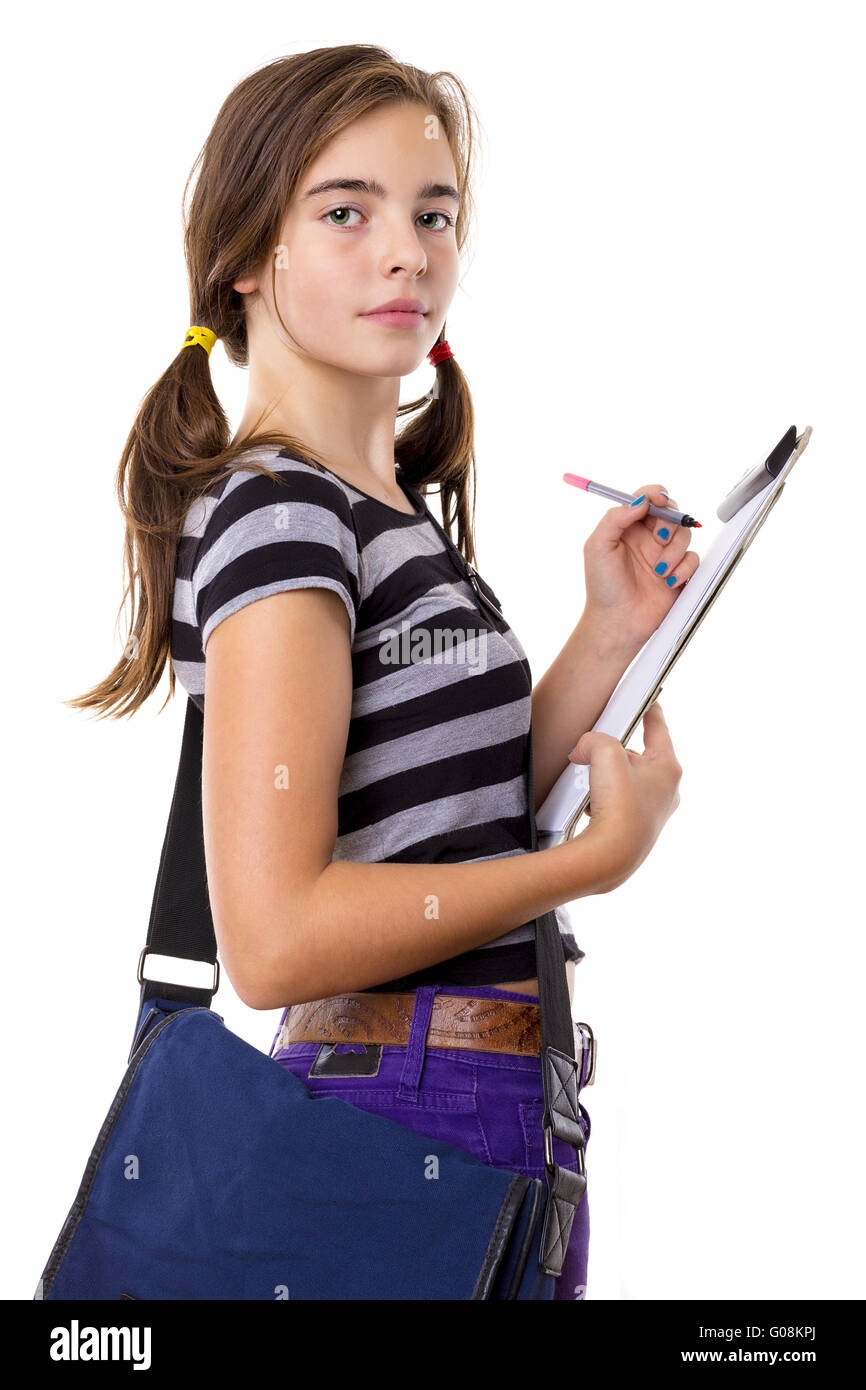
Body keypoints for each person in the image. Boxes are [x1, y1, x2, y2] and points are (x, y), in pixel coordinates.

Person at [69, 45, 694, 1301]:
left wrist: (608, 631)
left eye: (433, 213)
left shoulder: (380, 517)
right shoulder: (283, 518)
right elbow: (278, 937)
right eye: (345, 212)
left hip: (480, 1102)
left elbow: (444, 824)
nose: (406, 251)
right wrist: (586, 866)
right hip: (417, 1112)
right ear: (250, 255)